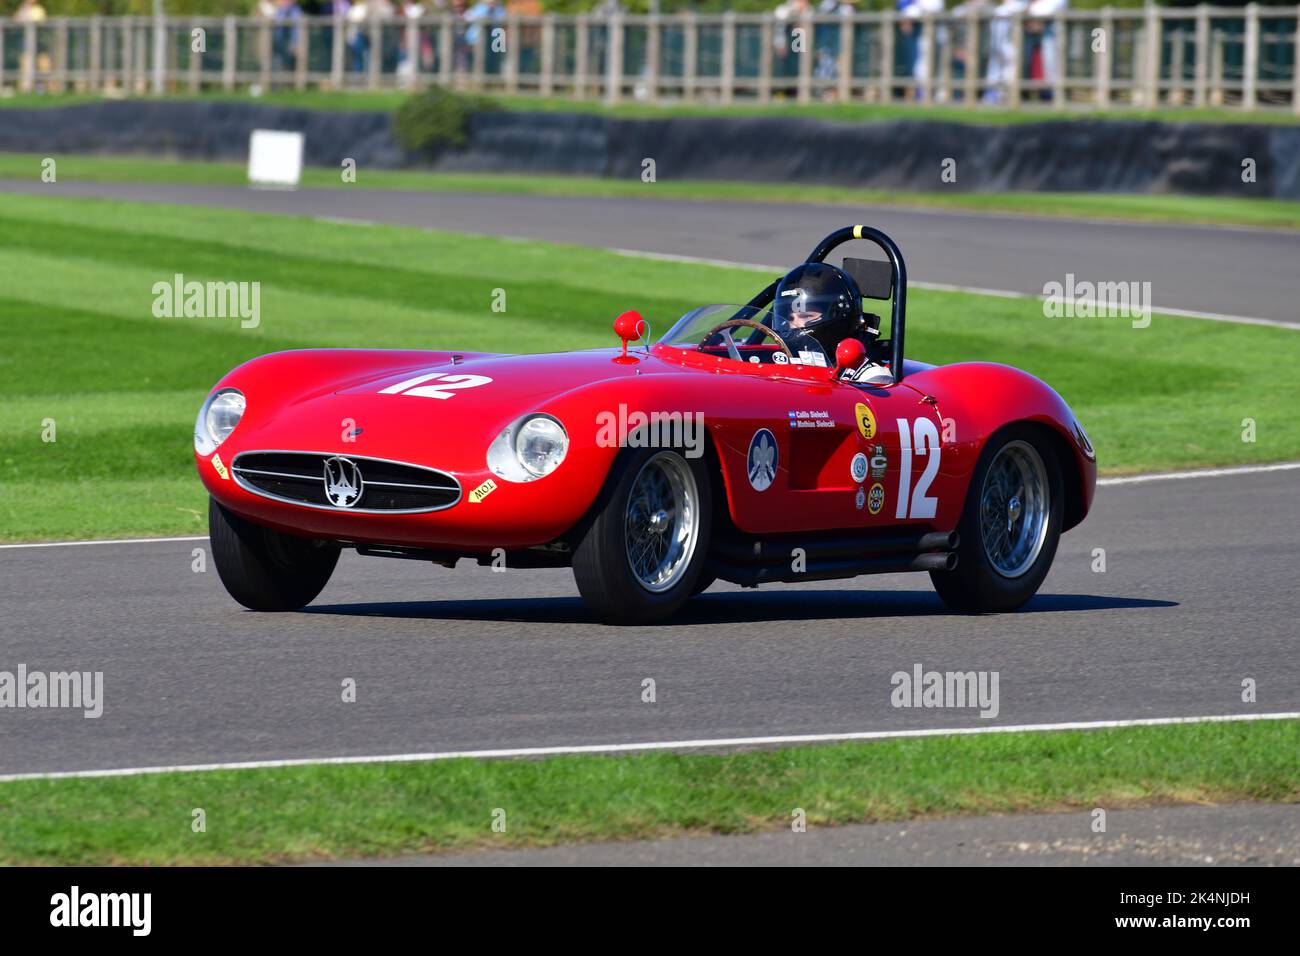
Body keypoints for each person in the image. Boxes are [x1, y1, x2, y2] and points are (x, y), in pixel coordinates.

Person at [771, 262, 888, 380]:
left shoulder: (871, 376)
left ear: (838, 317)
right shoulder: (780, 361)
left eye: (806, 316)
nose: (793, 325)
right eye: (789, 318)